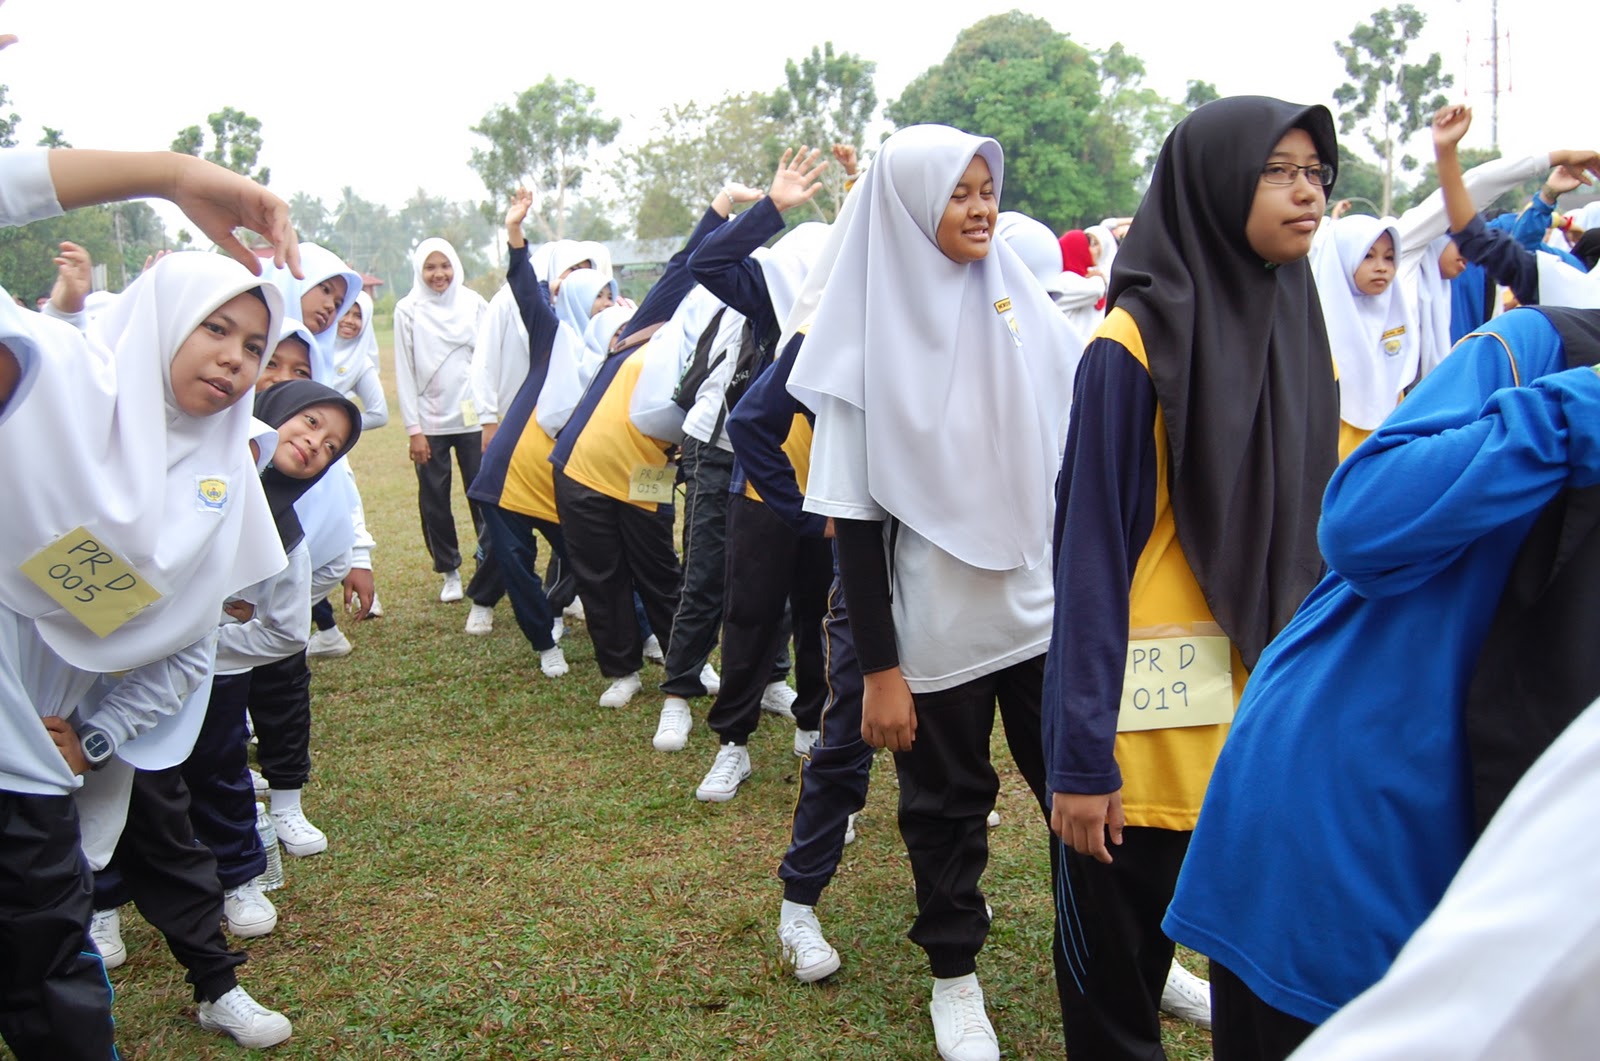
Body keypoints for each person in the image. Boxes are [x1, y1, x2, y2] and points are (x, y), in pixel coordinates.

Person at [1164, 304, 1600, 1061]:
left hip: (1507, 870)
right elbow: (1359, 518)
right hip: (1352, 829)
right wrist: (1577, 411)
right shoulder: (1544, 350)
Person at [1043, 97, 1340, 1061]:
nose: (1307, 192)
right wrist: (1080, 761)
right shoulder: (1131, 346)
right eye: (1278, 170)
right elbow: (1089, 559)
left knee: (1263, 1003)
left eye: (1316, 173)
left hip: (1264, 739)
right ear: (1215, 183)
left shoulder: (1296, 318)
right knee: (1117, 1006)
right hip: (1146, 751)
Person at [786, 124, 1081, 1061]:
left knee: (1084, 793)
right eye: (959, 192)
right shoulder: (863, 344)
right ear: (912, 204)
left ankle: (1135, 957)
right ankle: (955, 979)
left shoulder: (1025, 305)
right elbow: (858, 532)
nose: (982, 208)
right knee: (946, 811)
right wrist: (880, 672)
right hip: (939, 637)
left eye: (989, 189)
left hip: (1042, 615)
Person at [394, 238, 497, 606]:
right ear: (420, 271)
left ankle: (488, 562)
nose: (439, 274)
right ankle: (449, 570)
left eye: (445, 266)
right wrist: (414, 430)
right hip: (431, 423)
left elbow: (488, 361)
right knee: (434, 499)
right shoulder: (407, 310)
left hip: (474, 418)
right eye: (430, 267)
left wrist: (490, 415)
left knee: (483, 495)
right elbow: (404, 371)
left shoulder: (475, 304)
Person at [1311, 216, 1416, 458]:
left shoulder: (1396, 318)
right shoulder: (1317, 326)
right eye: (1368, 256)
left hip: (1382, 454)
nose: (1381, 267)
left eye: (1389, 257)